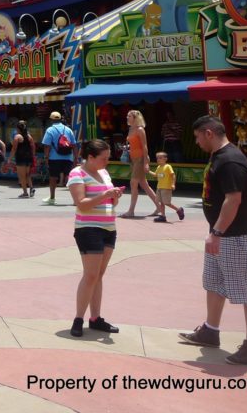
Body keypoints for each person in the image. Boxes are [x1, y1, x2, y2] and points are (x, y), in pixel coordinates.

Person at [178, 115, 247, 365]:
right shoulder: (221, 156)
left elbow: (233, 198)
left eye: (196, 137)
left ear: (208, 133)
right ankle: (210, 330)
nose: (196, 142)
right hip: (222, 234)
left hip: (237, 237)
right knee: (214, 283)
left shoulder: (229, 160)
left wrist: (217, 232)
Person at [67, 139, 124, 337]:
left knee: (99, 275)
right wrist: (106, 194)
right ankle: (78, 318)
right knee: (90, 274)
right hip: (88, 228)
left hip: (109, 227)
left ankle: (95, 318)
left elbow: (110, 204)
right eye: (104, 158)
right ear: (90, 157)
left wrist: (114, 197)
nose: (107, 162)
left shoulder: (104, 173)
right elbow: (81, 204)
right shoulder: (77, 173)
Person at [119, 110, 163, 218]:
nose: (127, 118)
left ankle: (131, 211)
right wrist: (127, 148)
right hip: (133, 159)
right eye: (127, 116)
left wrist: (146, 162)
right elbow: (133, 144)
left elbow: (144, 146)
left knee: (133, 183)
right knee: (144, 184)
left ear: (135, 118)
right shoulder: (131, 129)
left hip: (140, 159)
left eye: (129, 116)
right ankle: (159, 207)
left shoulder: (140, 129)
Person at [41, 111, 78, 205]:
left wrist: (46, 158)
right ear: (61, 119)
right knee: (70, 178)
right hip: (68, 157)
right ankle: (76, 199)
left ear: (51, 120)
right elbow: (74, 145)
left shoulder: (50, 130)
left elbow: (47, 146)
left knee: (53, 178)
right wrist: (76, 158)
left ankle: (52, 198)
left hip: (54, 158)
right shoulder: (68, 129)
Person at [148, 151, 184, 223]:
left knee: (167, 203)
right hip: (159, 187)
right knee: (161, 202)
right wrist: (148, 171)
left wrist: (173, 184)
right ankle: (163, 216)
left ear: (165, 159)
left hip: (166, 187)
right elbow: (156, 175)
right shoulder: (159, 167)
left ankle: (178, 210)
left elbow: (173, 175)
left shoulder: (168, 166)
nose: (158, 159)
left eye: (160, 158)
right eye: (157, 158)